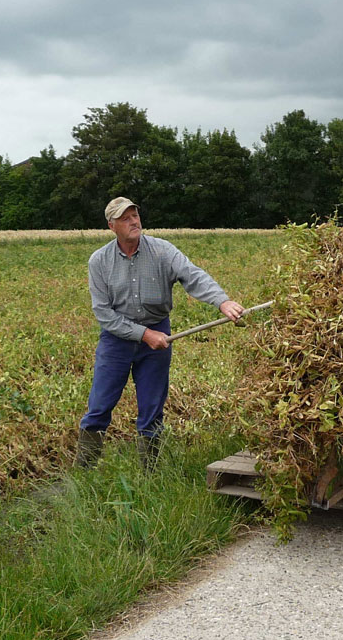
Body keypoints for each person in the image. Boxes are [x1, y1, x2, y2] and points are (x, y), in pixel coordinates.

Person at [77, 196, 244, 469]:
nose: (133, 222)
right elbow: (104, 313)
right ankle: (84, 470)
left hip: (158, 336)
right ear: (111, 226)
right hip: (116, 340)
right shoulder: (99, 261)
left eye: (135, 215)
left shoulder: (162, 251)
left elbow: (194, 276)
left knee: (152, 408)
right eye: (125, 218)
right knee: (99, 406)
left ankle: (150, 473)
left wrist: (222, 301)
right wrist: (143, 334)